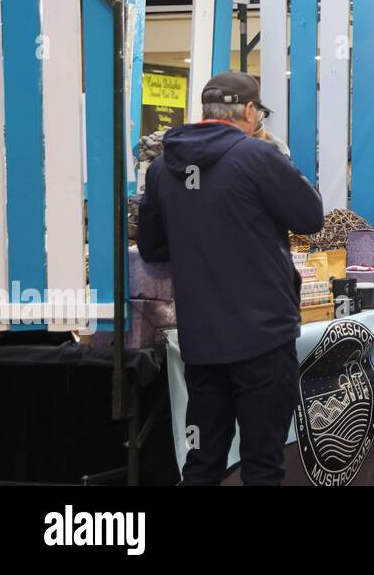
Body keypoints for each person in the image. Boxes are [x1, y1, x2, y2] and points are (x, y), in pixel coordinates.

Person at [137, 72, 324, 486]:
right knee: (262, 464)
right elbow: (311, 217)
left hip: (201, 341)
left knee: (202, 464)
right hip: (263, 339)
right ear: (250, 111)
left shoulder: (162, 169)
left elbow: (152, 247)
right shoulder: (259, 157)